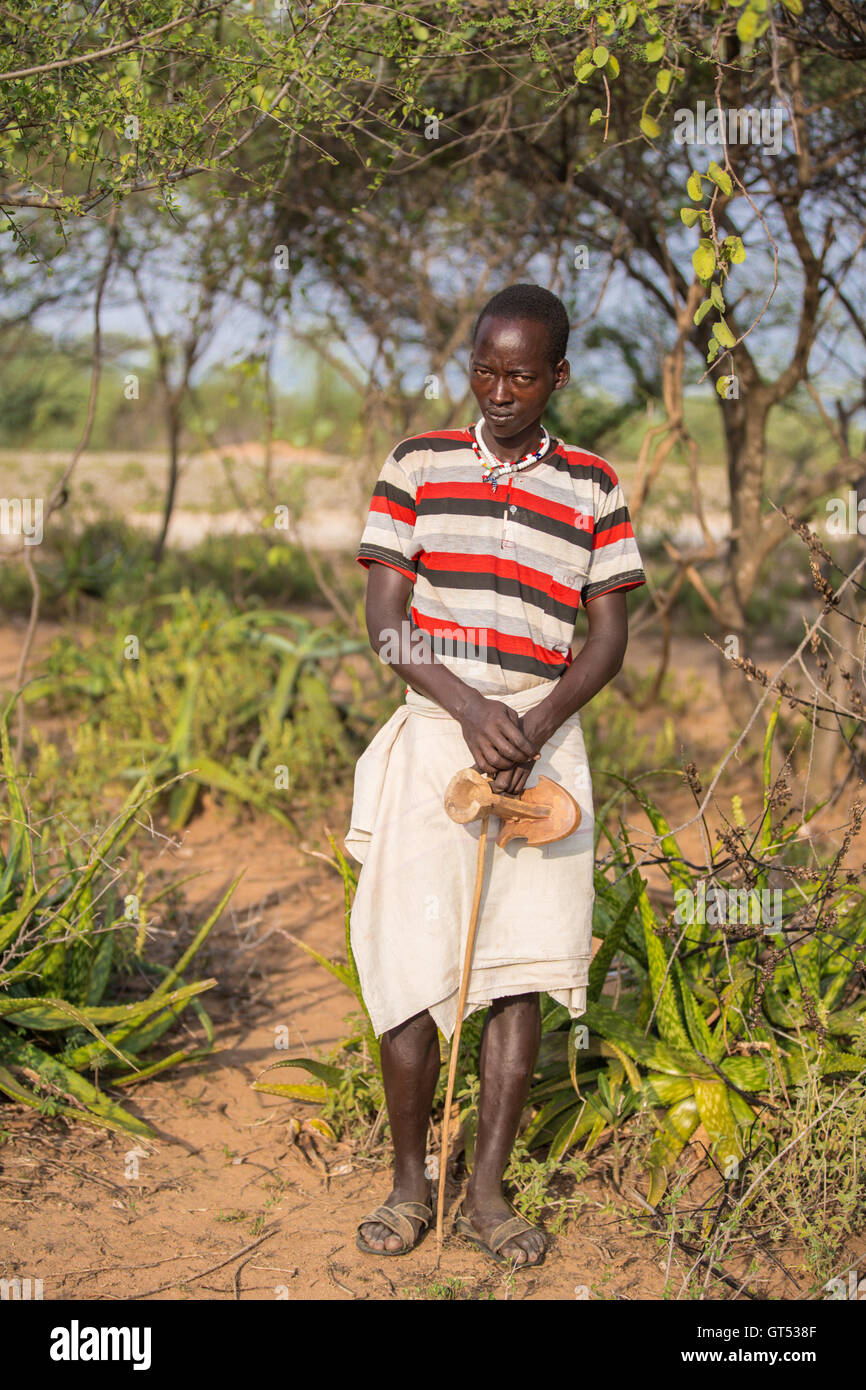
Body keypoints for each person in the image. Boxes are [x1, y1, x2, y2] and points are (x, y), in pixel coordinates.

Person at [343, 283, 645, 1268]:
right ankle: (406, 1183)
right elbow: (387, 617)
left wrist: (535, 718)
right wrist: (472, 711)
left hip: (541, 745)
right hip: (440, 727)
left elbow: (608, 634)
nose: (500, 391)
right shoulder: (418, 463)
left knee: (515, 972)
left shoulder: (593, 485)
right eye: (484, 370)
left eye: (521, 375)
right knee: (405, 968)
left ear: (557, 375)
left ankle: (484, 1192)